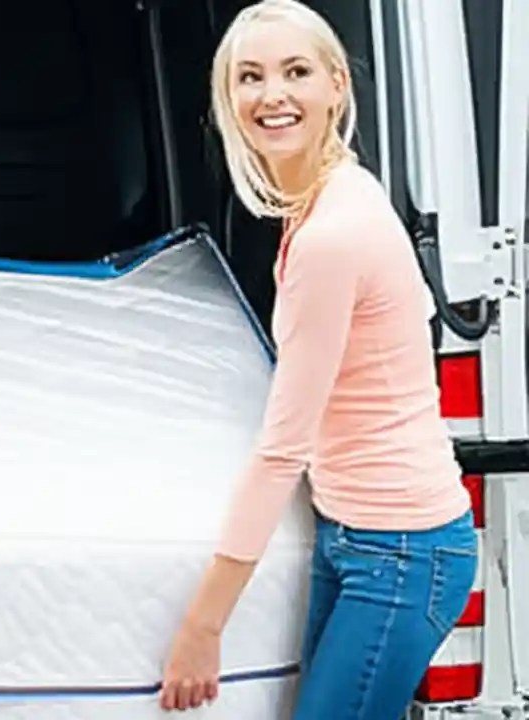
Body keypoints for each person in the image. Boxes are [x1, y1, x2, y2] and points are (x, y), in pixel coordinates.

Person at [159, 1, 478, 717]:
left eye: (295, 71)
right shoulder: (328, 200)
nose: (272, 95)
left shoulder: (335, 231)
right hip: (362, 537)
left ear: (337, 84)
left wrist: (202, 627)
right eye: (250, 77)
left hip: (401, 551)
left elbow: (282, 450)